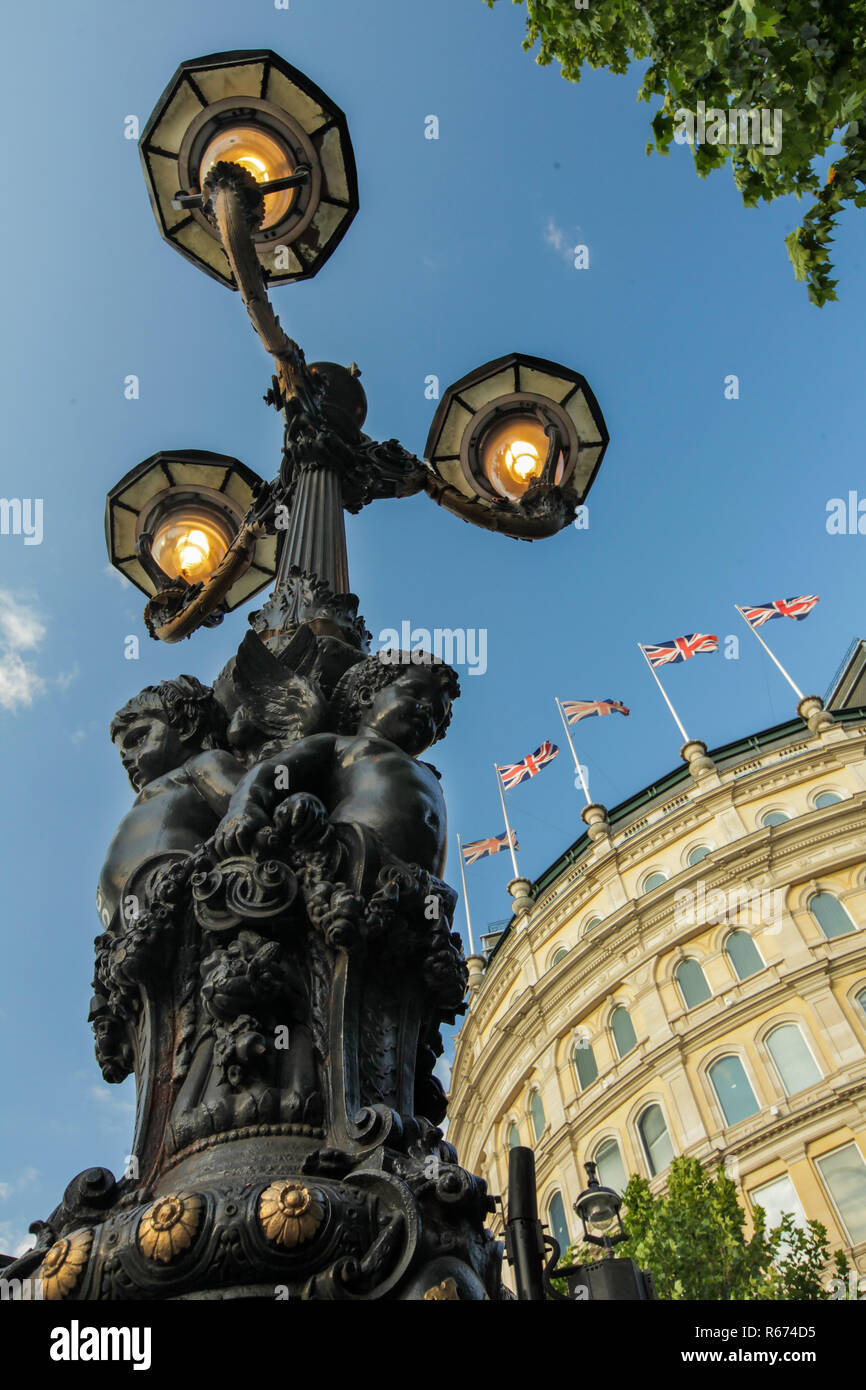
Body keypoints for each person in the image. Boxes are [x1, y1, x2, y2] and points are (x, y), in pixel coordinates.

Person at [213, 654, 460, 879]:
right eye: (414, 693)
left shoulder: (427, 774)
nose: (427, 709)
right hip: (350, 862)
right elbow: (273, 772)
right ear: (367, 695)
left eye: (438, 715)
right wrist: (245, 806)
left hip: (416, 886)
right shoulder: (342, 746)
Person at [97, 676, 245, 930]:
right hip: (131, 929)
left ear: (186, 726)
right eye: (124, 754)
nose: (128, 760)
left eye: (137, 739)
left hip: (187, 895)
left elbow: (240, 805)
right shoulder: (152, 795)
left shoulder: (201, 765)